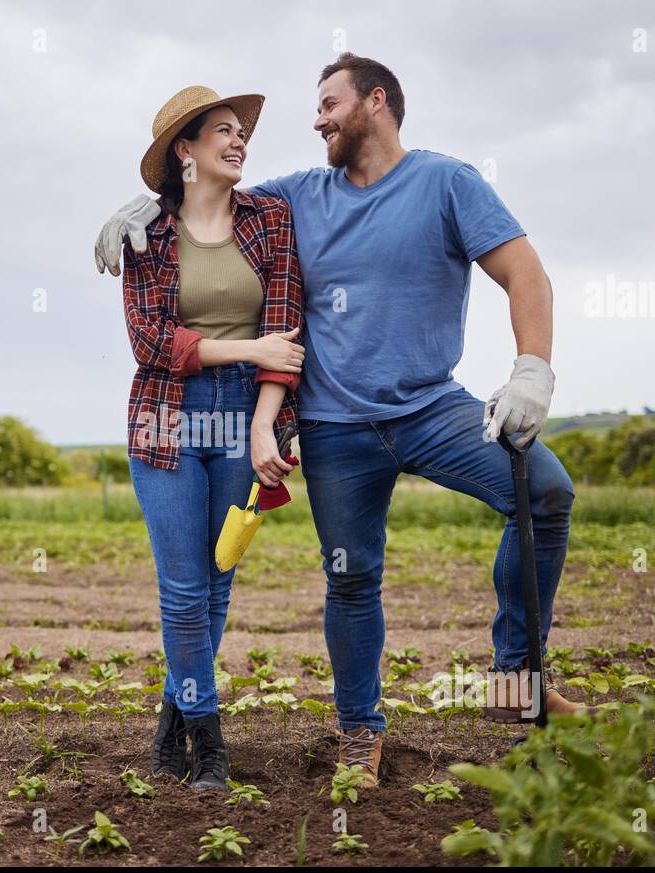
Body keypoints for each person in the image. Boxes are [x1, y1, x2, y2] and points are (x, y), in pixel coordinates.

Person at [98, 54, 594, 788]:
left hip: (431, 406)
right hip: (334, 428)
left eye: (328, 103)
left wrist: (533, 368)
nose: (317, 118)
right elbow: (209, 205)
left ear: (376, 101)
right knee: (352, 578)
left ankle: (515, 675)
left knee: (546, 492)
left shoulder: (446, 183)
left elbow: (526, 272)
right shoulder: (298, 197)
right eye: (315, 107)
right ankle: (359, 731)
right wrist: (146, 204)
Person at [122, 85, 305, 791]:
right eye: (221, 132)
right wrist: (249, 349)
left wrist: (265, 419)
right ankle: (212, 741)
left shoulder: (270, 219)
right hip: (164, 415)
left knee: (217, 583)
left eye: (241, 132)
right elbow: (150, 341)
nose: (238, 142)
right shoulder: (147, 233)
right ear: (185, 150)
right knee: (182, 587)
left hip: (246, 417)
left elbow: (286, 333)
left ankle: (174, 724)